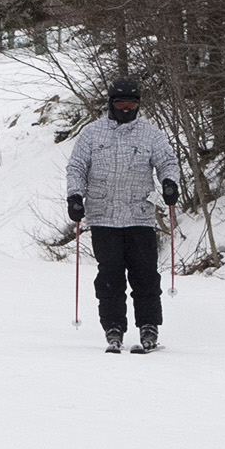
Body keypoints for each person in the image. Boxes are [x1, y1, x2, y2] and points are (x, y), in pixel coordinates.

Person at [65, 77, 181, 353]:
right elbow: (76, 167)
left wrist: (169, 183)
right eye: (121, 103)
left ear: (138, 104)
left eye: (132, 103)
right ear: (111, 104)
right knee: (110, 275)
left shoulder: (150, 134)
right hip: (103, 216)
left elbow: (167, 161)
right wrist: (74, 196)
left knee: (145, 275)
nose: (126, 109)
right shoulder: (92, 134)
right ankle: (113, 327)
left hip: (139, 215)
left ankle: (149, 326)